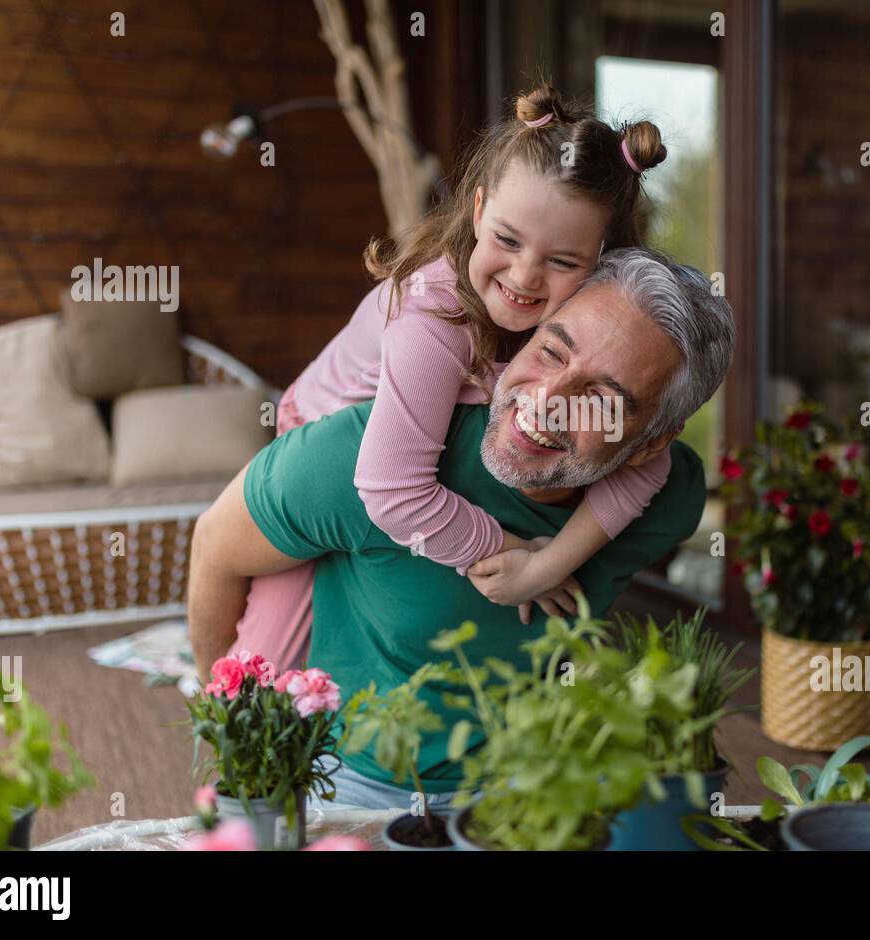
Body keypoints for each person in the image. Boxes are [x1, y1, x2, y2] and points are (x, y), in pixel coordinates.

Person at [188, 247, 735, 809]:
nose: (547, 401)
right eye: (550, 351)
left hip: (537, 781)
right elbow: (214, 547)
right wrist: (240, 739)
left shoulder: (669, 501)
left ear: (649, 445)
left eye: (599, 399)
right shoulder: (366, 457)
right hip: (347, 784)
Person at [230, 84, 673, 673]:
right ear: (479, 209)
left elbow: (653, 463)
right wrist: (509, 553)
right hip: (321, 449)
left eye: (563, 261)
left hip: (400, 470)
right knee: (269, 671)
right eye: (507, 240)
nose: (524, 276)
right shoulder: (436, 320)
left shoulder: (583, 328)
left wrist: (549, 565)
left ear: (604, 260)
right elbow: (391, 488)